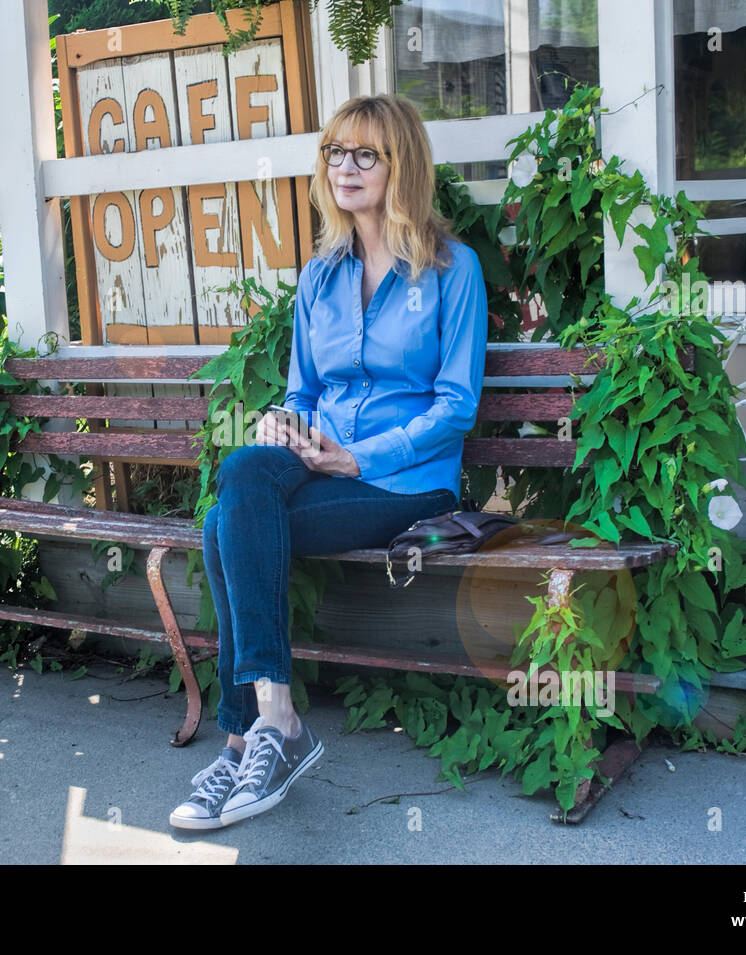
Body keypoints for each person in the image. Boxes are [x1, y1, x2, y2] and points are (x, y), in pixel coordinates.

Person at [169, 94, 488, 830]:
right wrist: (287, 422)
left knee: (224, 524)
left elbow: (455, 404)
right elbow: (303, 389)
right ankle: (276, 719)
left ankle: (244, 734)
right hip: (321, 456)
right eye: (335, 153)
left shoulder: (452, 270)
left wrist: (358, 456)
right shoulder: (321, 274)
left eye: (364, 154)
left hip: (406, 476)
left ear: (398, 164)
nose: (345, 167)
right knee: (243, 474)